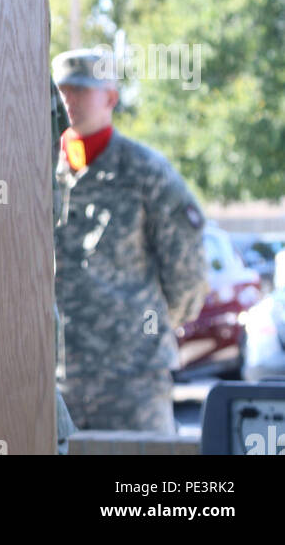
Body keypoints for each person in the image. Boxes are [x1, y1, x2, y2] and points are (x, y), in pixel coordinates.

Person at [53, 48, 208, 435]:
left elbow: (187, 276)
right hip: (52, 382)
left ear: (110, 98)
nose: (69, 100)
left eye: (80, 90)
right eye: (62, 91)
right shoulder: (36, 169)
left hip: (132, 382)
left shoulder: (146, 171)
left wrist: (140, 333)